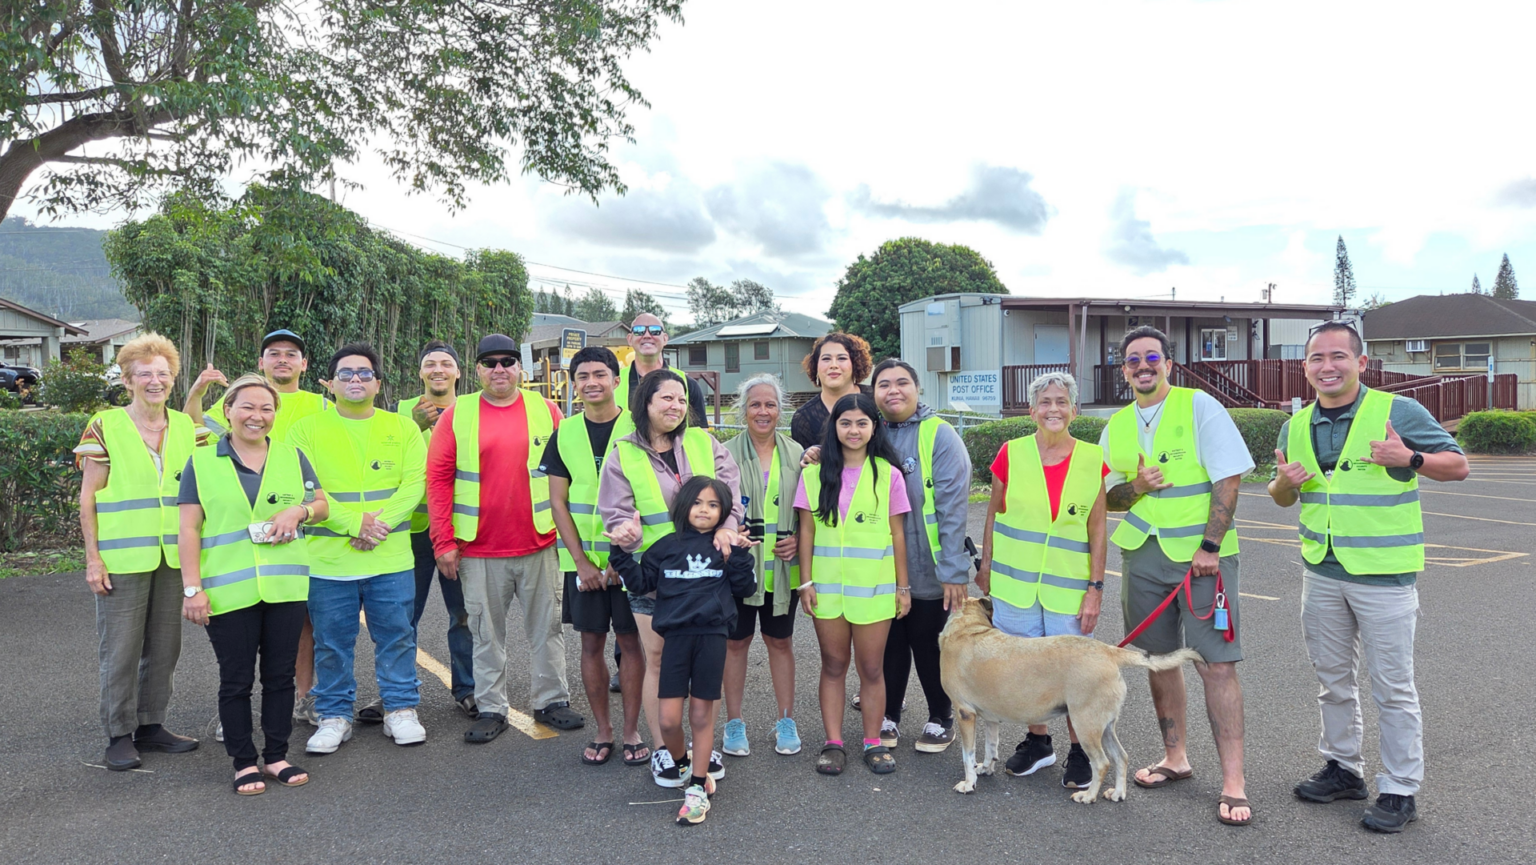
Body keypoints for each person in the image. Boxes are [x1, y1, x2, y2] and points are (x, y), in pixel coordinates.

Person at [1269, 322, 1468, 834]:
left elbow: (1458, 465)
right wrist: (1281, 486)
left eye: (1338, 356)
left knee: (1392, 687)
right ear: (1306, 366)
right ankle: (1343, 768)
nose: (1326, 366)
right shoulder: (1295, 425)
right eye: (1316, 358)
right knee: (1332, 682)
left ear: (1361, 363)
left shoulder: (1395, 412)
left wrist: (1411, 458)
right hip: (1322, 571)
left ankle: (1400, 789)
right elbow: (1285, 496)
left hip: (1384, 576)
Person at [1100, 325, 1254, 826]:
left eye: (1151, 358)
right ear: (1123, 370)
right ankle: (1175, 757)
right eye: (1132, 361)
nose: (1142, 366)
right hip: (1143, 556)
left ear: (1167, 362)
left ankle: (1234, 782)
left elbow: (1227, 477)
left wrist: (1210, 545)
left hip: (1202, 559)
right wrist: (1137, 487)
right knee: (1159, 661)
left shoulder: (1200, 406)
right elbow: (1108, 499)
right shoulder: (1115, 426)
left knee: (1216, 665)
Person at [177, 374, 329, 794]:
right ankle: (244, 761)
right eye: (246, 407)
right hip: (228, 590)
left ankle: (277, 755)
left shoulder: (292, 457)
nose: (256, 416)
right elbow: (188, 530)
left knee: (280, 676)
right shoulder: (203, 462)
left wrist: (299, 512)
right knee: (236, 678)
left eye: (266, 408)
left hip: (285, 588)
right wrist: (192, 588)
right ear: (227, 411)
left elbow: (321, 504)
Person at [429, 334, 583, 743]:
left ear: (520, 368)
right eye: (490, 362)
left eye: (508, 361)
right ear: (477, 369)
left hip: (540, 542)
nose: (499, 369)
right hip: (479, 548)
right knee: (484, 633)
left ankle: (552, 700)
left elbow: (568, 474)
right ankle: (492, 707)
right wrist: (443, 540)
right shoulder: (457, 414)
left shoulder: (546, 410)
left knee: (547, 629)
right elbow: (439, 479)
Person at [598, 369, 745, 787]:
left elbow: (731, 493)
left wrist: (728, 526)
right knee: (658, 659)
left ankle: (701, 748)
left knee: (704, 669)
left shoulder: (703, 442)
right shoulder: (623, 453)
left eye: (682, 399)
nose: (676, 406)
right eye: (666, 398)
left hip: (704, 575)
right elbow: (617, 510)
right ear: (645, 403)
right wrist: (625, 530)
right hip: (654, 575)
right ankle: (667, 751)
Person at [286, 344, 429, 754]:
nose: (355, 380)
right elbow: (308, 488)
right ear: (329, 383)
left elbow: (413, 484)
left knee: (398, 636)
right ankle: (334, 715)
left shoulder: (402, 428)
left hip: (391, 556)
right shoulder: (306, 430)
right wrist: (354, 523)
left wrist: (375, 527)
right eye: (345, 374)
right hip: (329, 560)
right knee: (332, 642)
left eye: (364, 374)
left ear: (378, 384)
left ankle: (401, 709)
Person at [76, 333, 205, 771]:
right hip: (122, 559)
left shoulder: (188, 428)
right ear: (127, 380)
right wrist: (93, 558)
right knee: (121, 650)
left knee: (165, 648)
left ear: (173, 380)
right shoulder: (105, 425)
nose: (155, 381)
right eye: (144, 374)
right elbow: (88, 497)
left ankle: (151, 724)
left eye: (163, 374)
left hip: (174, 556)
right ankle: (119, 732)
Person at [978, 371, 1109, 788]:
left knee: (1074, 674)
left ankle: (1080, 751)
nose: (1054, 408)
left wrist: (1096, 589)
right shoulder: (1010, 453)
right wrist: (985, 566)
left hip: (1069, 589)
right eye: (1045, 402)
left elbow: (1098, 528)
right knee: (1024, 670)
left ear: (1074, 409)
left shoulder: (1091, 459)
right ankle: (1038, 744)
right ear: (1032, 410)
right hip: (1014, 585)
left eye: (1062, 401)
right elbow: (993, 515)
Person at [607, 476, 758, 826]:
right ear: (683, 506)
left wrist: (738, 555)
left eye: (713, 505)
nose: (704, 510)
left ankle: (695, 790)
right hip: (675, 639)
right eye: (697, 503)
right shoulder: (664, 547)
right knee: (668, 720)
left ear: (723, 512)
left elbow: (745, 587)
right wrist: (620, 552)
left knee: (702, 717)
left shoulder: (725, 546)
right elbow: (642, 584)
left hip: (712, 637)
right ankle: (690, 766)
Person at [540, 345, 646, 766]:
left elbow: (651, 495)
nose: (591, 383)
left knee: (631, 643)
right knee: (590, 644)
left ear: (617, 380)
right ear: (574, 384)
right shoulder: (564, 432)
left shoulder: (639, 427)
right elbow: (559, 503)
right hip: (582, 564)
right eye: (582, 376)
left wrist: (620, 560)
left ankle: (633, 730)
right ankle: (604, 731)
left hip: (631, 561)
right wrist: (583, 563)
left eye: (600, 374)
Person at [797, 392, 911, 776]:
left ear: (874, 428)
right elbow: (806, 531)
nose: (854, 429)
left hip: (874, 590)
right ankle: (833, 743)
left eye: (863, 422)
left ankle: (873, 742)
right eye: (845, 422)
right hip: (826, 589)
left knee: (871, 669)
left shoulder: (888, 475)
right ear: (834, 428)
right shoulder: (813, 475)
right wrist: (805, 582)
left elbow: (898, 535)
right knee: (832, 665)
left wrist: (903, 588)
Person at [867, 358, 973, 754]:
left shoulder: (939, 434)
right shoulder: (867, 430)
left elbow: (952, 508)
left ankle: (940, 715)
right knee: (889, 641)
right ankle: (889, 714)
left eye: (902, 383)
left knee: (928, 643)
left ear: (917, 388)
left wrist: (953, 570)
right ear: (873, 392)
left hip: (929, 564)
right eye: (883, 384)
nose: (893, 390)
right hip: (880, 564)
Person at [720, 374, 805, 758]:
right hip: (738, 569)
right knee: (736, 642)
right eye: (755, 404)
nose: (763, 411)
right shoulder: (724, 453)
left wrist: (800, 538)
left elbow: (810, 507)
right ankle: (734, 723)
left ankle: (786, 720)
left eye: (770, 404)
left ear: (780, 409)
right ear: (742, 410)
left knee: (780, 642)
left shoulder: (798, 454)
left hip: (781, 570)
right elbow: (710, 508)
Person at [397, 340, 477, 720]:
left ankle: (469, 688)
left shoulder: (476, 411)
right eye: (430, 364)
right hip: (410, 531)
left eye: (446, 363)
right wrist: (415, 427)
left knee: (463, 614)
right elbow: (388, 462)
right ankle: (397, 694)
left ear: (458, 372)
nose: (438, 369)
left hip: (459, 529)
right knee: (401, 617)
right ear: (420, 372)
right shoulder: (400, 413)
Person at [614, 312, 710, 428]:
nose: (647, 335)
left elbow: (700, 437)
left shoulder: (688, 384)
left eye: (655, 330)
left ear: (665, 339)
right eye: (639, 330)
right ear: (630, 339)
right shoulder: (613, 383)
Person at [790, 331, 873, 451]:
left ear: (855, 364)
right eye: (826, 359)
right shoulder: (803, 419)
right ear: (816, 366)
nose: (833, 365)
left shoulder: (877, 399)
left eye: (842, 358)